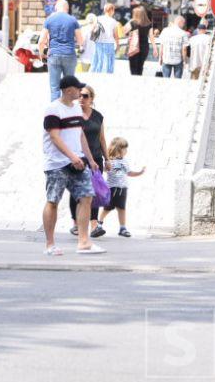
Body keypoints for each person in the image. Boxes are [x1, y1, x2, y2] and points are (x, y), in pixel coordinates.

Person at [41, 75, 104, 256]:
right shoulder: (53, 109)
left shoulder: (76, 109)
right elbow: (54, 137)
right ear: (69, 90)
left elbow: (81, 135)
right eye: (78, 89)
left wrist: (90, 159)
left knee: (86, 197)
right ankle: (50, 244)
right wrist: (71, 156)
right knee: (53, 201)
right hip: (57, 163)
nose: (80, 92)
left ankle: (84, 242)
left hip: (79, 162)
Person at [69, 85, 108, 239]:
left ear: (91, 98)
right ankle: (76, 224)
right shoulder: (72, 116)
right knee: (76, 191)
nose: (81, 98)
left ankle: (93, 224)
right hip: (78, 158)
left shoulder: (98, 116)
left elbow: (102, 139)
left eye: (85, 95)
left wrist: (107, 159)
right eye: (79, 95)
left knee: (94, 190)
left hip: (96, 158)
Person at [98, 137, 146, 237]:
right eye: (124, 149)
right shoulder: (109, 161)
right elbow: (104, 170)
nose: (126, 151)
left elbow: (129, 173)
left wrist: (139, 172)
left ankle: (122, 228)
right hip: (111, 188)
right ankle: (99, 223)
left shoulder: (124, 161)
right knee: (107, 208)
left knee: (121, 208)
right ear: (119, 149)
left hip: (122, 188)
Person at [38, 0, 83, 100]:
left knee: (55, 88)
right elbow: (80, 40)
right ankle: (67, 111)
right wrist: (80, 48)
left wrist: (42, 55)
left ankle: (55, 113)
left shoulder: (49, 20)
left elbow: (41, 41)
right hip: (69, 55)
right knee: (69, 87)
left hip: (54, 55)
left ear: (55, 8)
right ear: (67, 8)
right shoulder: (73, 20)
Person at [92, 3, 120, 74]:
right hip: (109, 44)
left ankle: (95, 76)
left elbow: (93, 30)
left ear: (104, 10)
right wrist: (118, 45)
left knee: (98, 61)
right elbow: (115, 35)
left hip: (98, 43)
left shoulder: (98, 18)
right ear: (111, 10)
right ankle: (106, 77)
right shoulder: (113, 21)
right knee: (108, 63)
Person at [126, 5, 153, 77]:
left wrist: (130, 21)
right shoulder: (149, 24)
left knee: (133, 68)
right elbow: (151, 36)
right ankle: (139, 83)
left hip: (134, 47)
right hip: (144, 48)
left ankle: (134, 84)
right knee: (140, 67)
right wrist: (155, 48)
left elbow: (123, 31)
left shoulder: (132, 23)